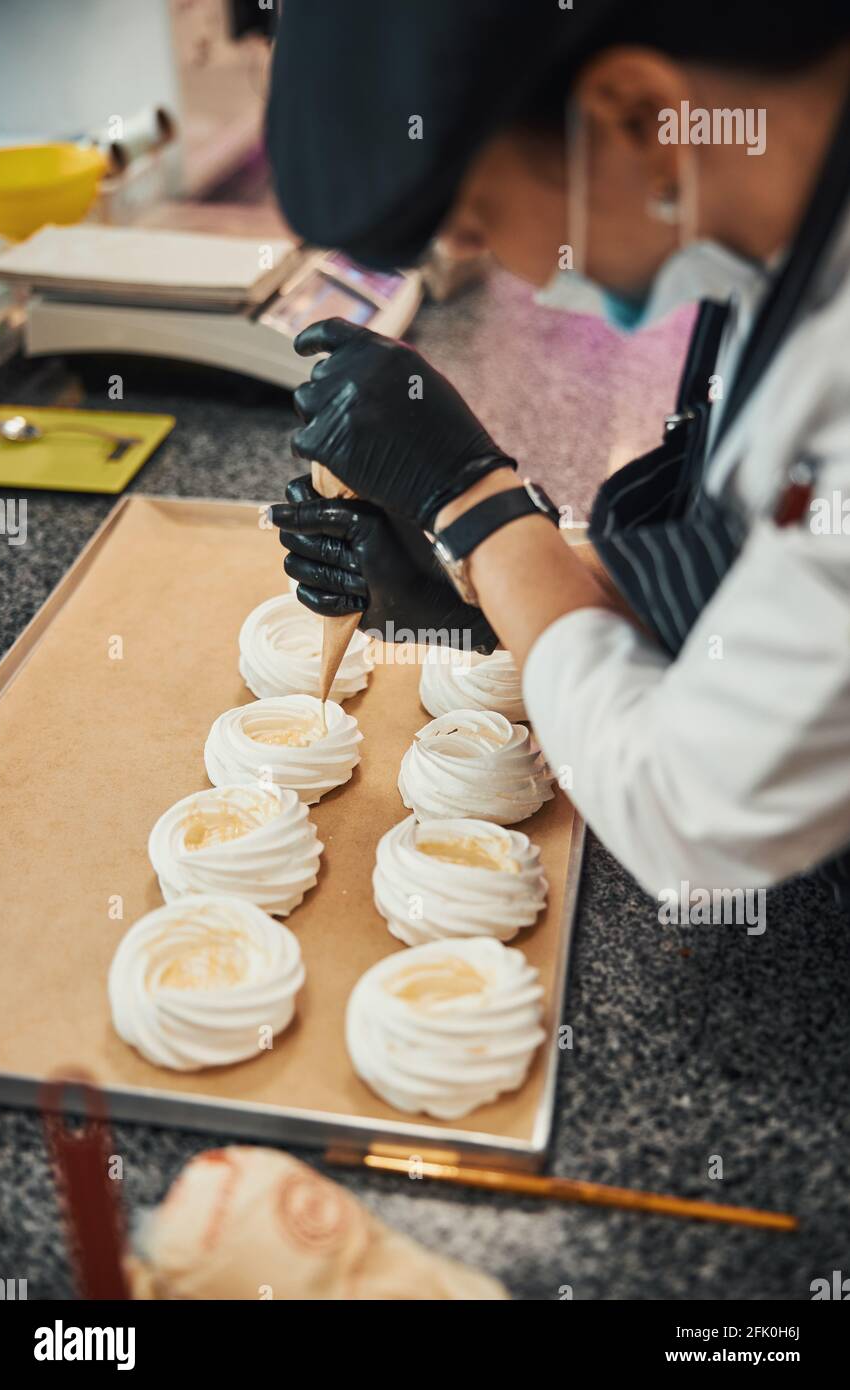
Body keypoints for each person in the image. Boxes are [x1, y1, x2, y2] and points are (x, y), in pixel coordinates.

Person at [268, 0, 850, 905]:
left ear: (637, 119)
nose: (507, 266)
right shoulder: (776, 244)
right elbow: (769, 573)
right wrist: (490, 589)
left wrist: (476, 506)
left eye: (477, 221)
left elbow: (692, 817)